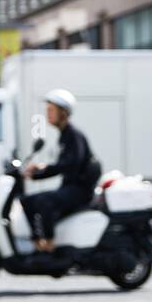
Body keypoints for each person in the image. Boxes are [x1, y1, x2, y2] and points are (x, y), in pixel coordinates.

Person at [19, 89, 99, 253]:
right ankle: (37, 243)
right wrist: (37, 173)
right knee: (26, 201)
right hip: (69, 188)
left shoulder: (73, 135)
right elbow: (62, 165)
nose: (48, 114)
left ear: (63, 113)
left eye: (51, 110)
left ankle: (49, 246)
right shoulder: (64, 135)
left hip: (79, 191)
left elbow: (69, 164)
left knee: (45, 202)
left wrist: (43, 170)